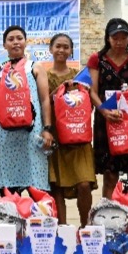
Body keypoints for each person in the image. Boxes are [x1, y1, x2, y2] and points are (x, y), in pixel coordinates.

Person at [87, 18, 128, 199]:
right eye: (115, 38)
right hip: (106, 118)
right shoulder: (97, 59)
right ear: (107, 38)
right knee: (110, 174)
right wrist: (104, 111)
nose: (119, 42)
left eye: (123, 37)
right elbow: (92, 91)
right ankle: (108, 211)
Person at [0, 25, 54, 195]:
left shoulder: (35, 67)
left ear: (26, 42)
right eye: (11, 39)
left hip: (32, 132)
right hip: (6, 133)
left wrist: (47, 129)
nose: (15, 42)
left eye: (19, 38)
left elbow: (45, 100)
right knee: (8, 187)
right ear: (4, 45)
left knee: (36, 186)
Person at [46, 33, 96, 225]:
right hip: (56, 138)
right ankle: (62, 229)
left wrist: (81, 92)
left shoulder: (80, 76)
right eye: (58, 46)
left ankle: (85, 227)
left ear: (71, 51)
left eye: (66, 47)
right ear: (50, 49)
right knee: (57, 187)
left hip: (79, 138)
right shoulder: (43, 75)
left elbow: (89, 105)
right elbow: (42, 103)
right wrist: (59, 91)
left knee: (84, 184)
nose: (61, 50)